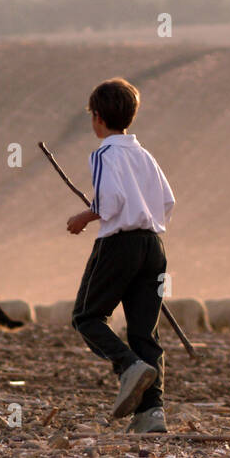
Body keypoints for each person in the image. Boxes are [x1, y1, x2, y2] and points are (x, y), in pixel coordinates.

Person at [68, 77, 175, 433]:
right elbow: (168, 201)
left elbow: (110, 201)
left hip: (119, 245)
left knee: (87, 316)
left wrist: (85, 216)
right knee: (145, 332)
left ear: (97, 117)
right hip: (154, 247)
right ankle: (152, 413)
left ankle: (128, 366)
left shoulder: (104, 154)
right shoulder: (144, 155)